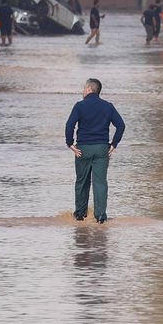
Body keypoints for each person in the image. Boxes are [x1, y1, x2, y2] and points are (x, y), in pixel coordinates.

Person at [65, 78, 125, 223]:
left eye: (84, 88)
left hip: (83, 149)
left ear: (89, 89)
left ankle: (80, 215)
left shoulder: (79, 106)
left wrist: (70, 144)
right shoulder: (108, 106)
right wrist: (113, 144)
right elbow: (121, 125)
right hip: (101, 149)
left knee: (82, 182)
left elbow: (69, 126)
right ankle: (100, 217)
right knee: (100, 183)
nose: (83, 90)